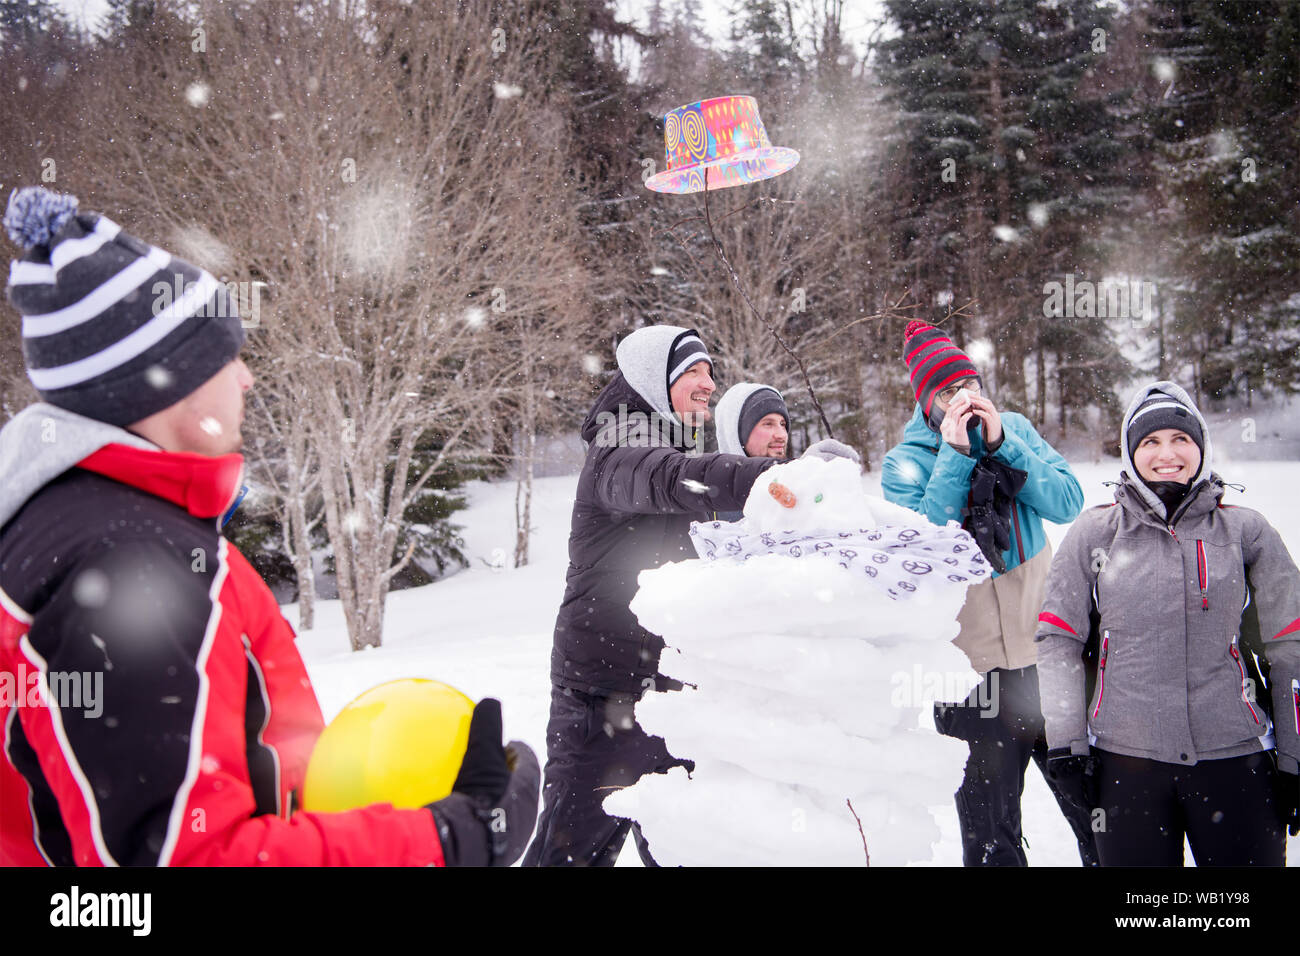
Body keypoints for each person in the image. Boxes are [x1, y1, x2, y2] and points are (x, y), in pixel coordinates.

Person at [0, 187, 538, 866]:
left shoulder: (62, 529)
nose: (247, 378)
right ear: (170, 386)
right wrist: (450, 841)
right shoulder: (137, 568)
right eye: (228, 357)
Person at [525, 326, 853, 866]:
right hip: (601, 703)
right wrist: (767, 478)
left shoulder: (670, 449)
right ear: (656, 380)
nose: (709, 382)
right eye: (693, 372)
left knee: (690, 852)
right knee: (567, 857)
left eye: (709, 370)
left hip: (673, 704)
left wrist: (806, 482)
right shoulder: (618, 449)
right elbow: (673, 480)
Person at [1036, 381, 1300, 866]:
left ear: (1201, 446)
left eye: (1181, 439)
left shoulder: (1246, 530)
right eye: (1150, 442)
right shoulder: (1096, 531)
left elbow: (1290, 645)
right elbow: (1058, 641)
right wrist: (1066, 745)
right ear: (1129, 452)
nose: (1168, 454)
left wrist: (1295, 754)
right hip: (1125, 763)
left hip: (1235, 758)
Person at [881, 320, 1099, 866]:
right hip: (968, 677)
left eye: (969, 385)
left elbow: (1068, 502)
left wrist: (1006, 446)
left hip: (1050, 660)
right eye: (948, 390)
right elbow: (923, 553)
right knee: (988, 835)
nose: (963, 398)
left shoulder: (1015, 428)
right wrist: (954, 457)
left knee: (1099, 813)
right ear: (926, 400)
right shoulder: (901, 463)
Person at [710, 381, 789, 520]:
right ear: (736, 433)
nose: (782, 435)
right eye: (768, 424)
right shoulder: (704, 488)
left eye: (783, 424)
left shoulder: (793, 482)